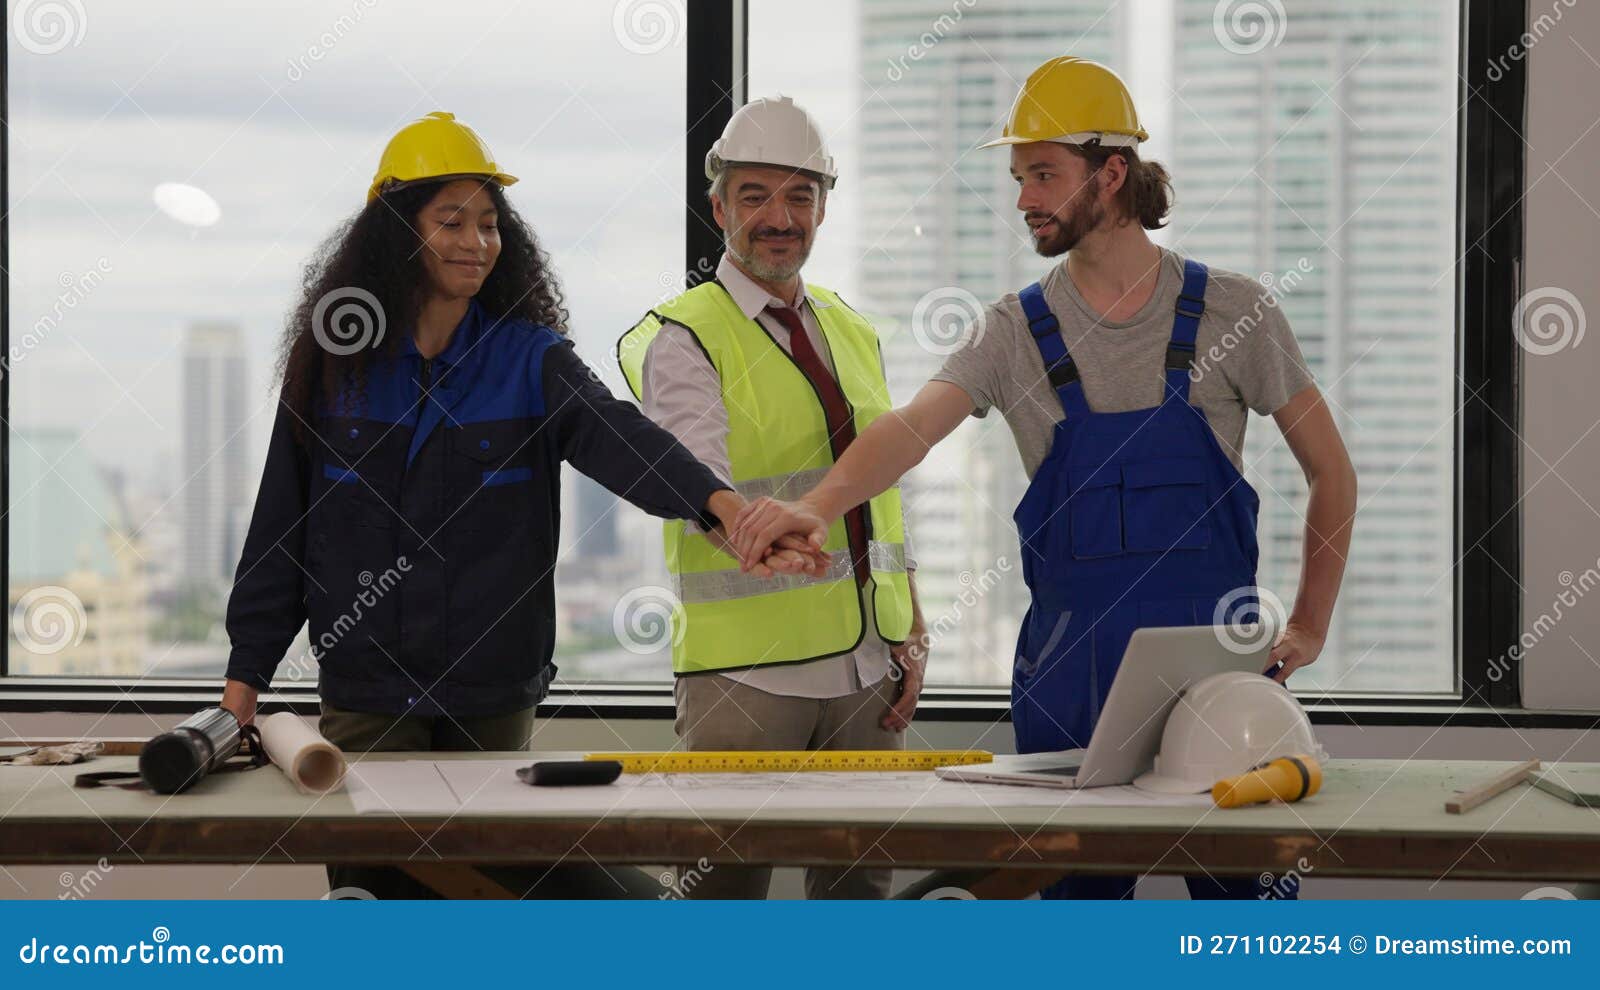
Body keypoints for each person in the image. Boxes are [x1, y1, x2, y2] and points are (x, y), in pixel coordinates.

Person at [726, 59, 1358, 900]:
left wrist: (1310, 624)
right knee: (1077, 927)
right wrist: (813, 505)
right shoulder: (1012, 330)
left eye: (1044, 175)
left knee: (1243, 918)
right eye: (1019, 176)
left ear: (1112, 172)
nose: (1025, 197)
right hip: (1073, 673)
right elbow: (913, 429)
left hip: (1220, 670)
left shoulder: (1235, 312)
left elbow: (1333, 473)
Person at [217, 111, 820, 899]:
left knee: (496, 901)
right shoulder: (338, 364)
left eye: (490, 223)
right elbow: (283, 526)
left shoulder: (528, 361)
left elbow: (622, 439)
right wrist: (242, 683)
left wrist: (727, 511)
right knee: (378, 906)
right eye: (452, 221)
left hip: (489, 696)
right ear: (399, 231)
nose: (476, 241)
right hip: (367, 695)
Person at [614, 96, 929, 899]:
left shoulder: (853, 330)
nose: (777, 217)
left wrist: (912, 623)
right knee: (719, 913)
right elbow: (698, 477)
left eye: (798, 196)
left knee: (858, 906)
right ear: (719, 206)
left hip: (868, 669)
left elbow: (880, 497)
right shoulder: (686, 335)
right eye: (754, 196)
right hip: (747, 681)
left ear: (824, 206)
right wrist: (758, 537)